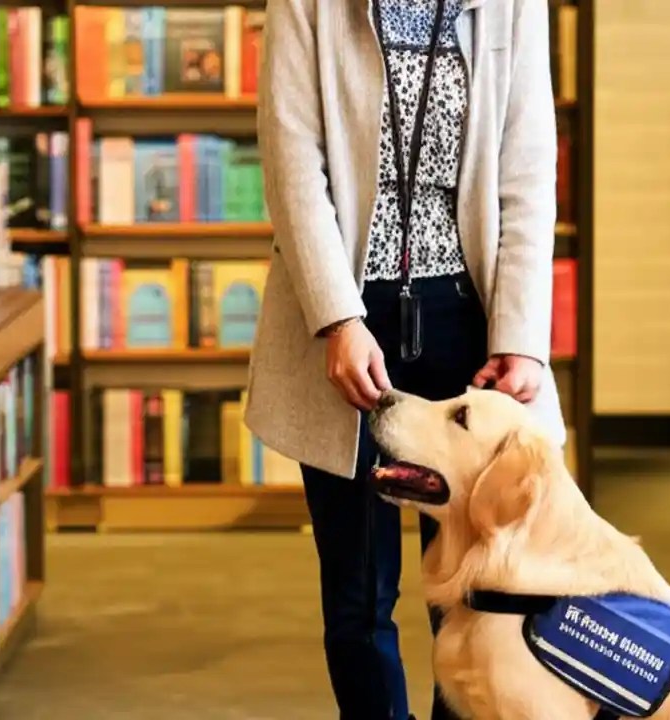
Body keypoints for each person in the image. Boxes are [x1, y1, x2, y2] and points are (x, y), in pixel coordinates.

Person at [245, 0, 567, 717]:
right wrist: (337, 317)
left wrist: (520, 336)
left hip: (469, 324)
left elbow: (528, 171)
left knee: (480, 590)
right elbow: (293, 165)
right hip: (348, 323)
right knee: (359, 595)